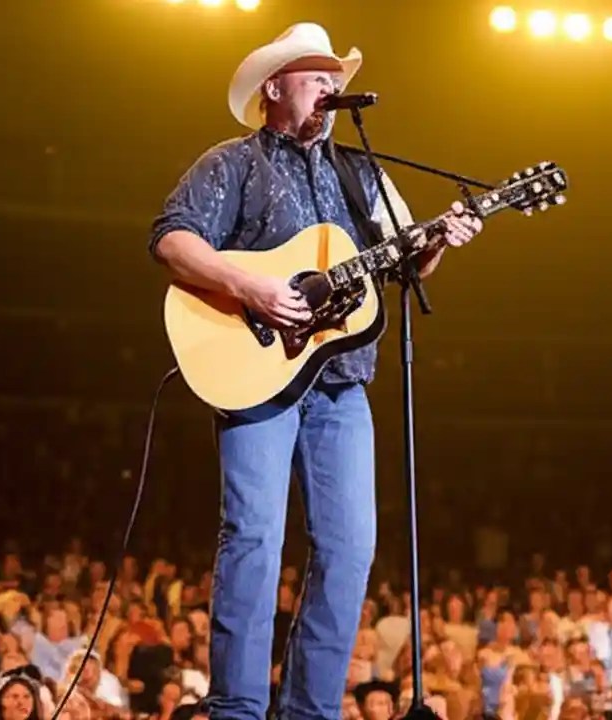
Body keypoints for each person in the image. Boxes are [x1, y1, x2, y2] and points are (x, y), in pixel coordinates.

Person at [148, 21, 483, 720]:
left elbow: (406, 260)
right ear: (274, 87)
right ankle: (237, 708)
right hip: (258, 374)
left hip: (341, 382)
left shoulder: (361, 172)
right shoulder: (233, 163)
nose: (332, 87)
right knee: (254, 536)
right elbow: (172, 239)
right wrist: (254, 288)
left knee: (351, 548)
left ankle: (310, 712)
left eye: (337, 76)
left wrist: (441, 238)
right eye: (315, 75)